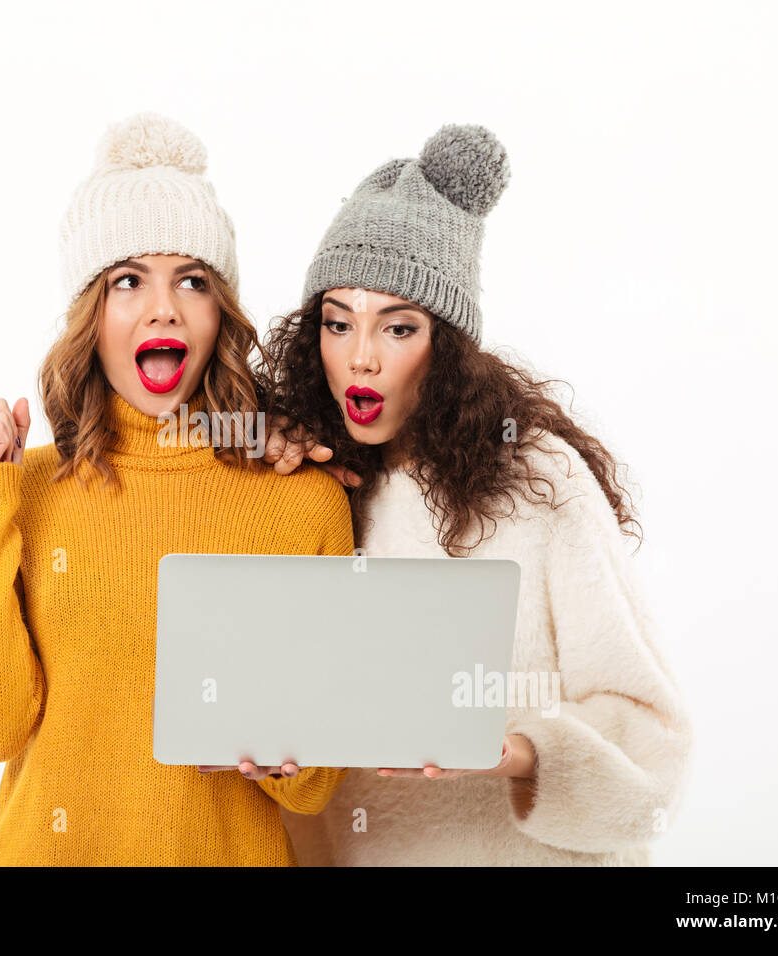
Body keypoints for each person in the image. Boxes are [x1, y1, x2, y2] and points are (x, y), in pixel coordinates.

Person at [259, 124, 693, 865]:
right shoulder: (309, 483)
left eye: (398, 328)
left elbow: (654, 743)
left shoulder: (539, 480)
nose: (361, 358)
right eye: (338, 324)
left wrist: (515, 751)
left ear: (449, 343)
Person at [0, 112, 350, 866]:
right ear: (90, 317)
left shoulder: (299, 498)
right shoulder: (22, 491)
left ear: (218, 312)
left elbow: (315, 787)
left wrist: (280, 750)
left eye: (192, 281)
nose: (164, 307)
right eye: (128, 280)